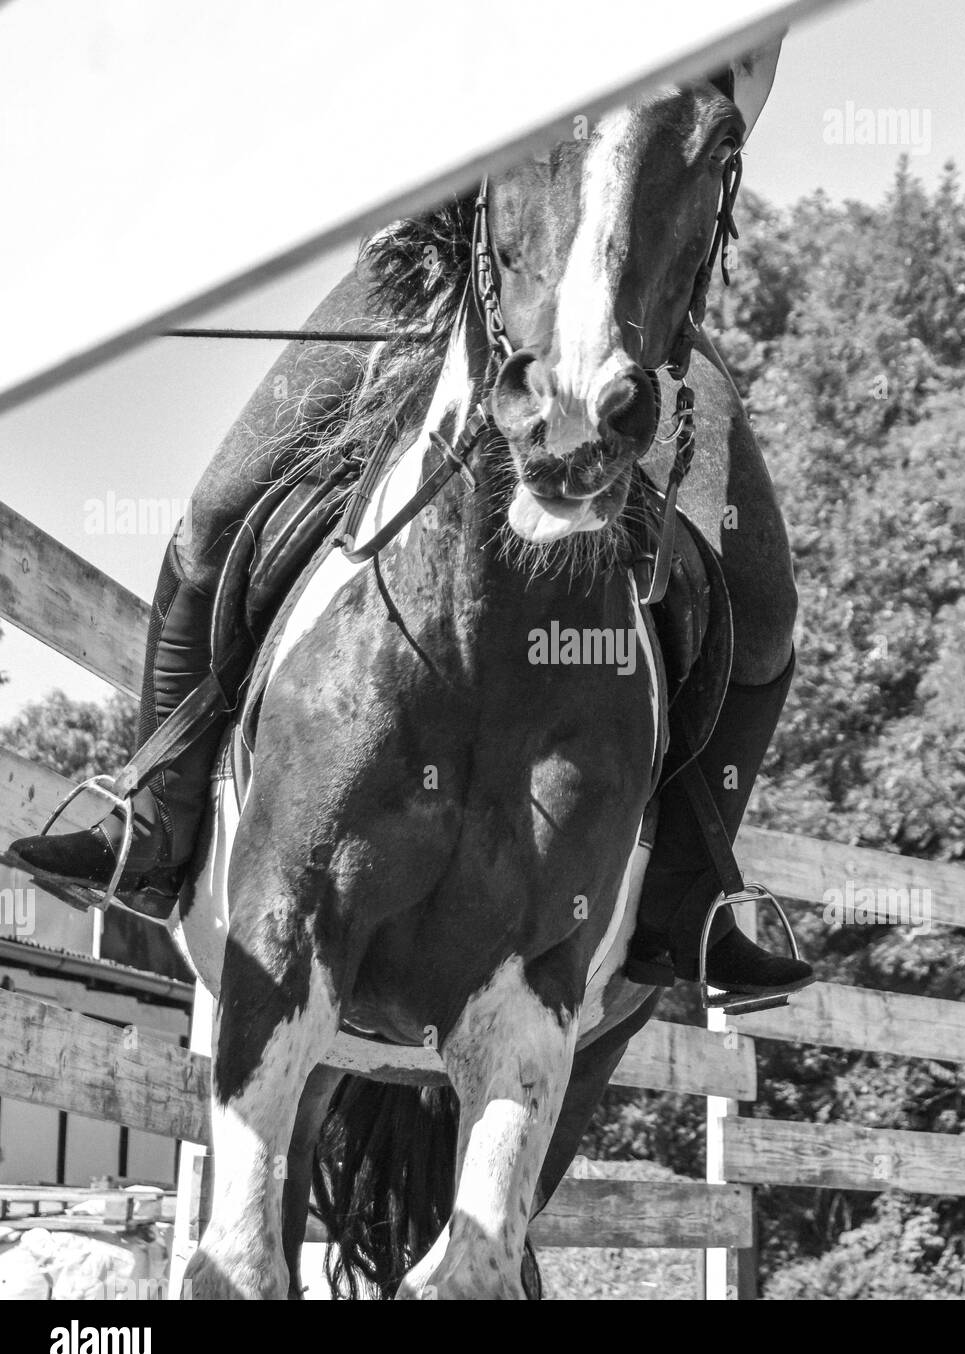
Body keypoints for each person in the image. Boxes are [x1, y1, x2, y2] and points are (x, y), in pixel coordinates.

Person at [9, 223, 812, 1002]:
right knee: (219, 511)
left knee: (765, 616)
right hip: (433, 263)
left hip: (634, 309)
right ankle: (151, 820)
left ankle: (687, 896)